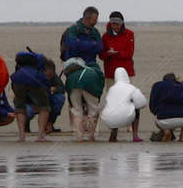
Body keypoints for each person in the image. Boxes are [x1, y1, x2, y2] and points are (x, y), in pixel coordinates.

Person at [100, 12, 140, 142]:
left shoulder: (130, 34)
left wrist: (117, 53)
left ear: (121, 23)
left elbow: (129, 53)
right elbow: (101, 55)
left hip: (127, 73)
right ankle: (114, 132)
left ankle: (134, 133)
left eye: (117, 24)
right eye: (113, 24)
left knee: (132, 100)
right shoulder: (105, 36)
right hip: (111, 73)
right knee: (113, 102)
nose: (115, 26)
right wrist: (108, 54)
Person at [11, 47, 53, 142]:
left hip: (18, 79)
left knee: (19, 107)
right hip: (35, 80)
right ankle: (40, 135)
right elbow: (45, 82)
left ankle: (22, 135)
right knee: (44, 107)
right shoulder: (39, 65)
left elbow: (13, 80)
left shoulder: (19, 68)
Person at [61, 56, 105, 141]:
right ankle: (91, 135)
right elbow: (99, 90)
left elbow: (68, 92)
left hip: (73, 83)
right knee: (93, 110)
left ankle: (79, 136)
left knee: (77, 110)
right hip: (90, 83)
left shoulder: (73, 73)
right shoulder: (96, 72)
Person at [99, 67, 147, 139]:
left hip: (108, 119)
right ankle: (135, 135)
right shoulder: (131, 87)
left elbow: (105, 103)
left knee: (114, 107)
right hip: (125, 117)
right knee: (136, 109)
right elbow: (142, 103)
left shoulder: (111, 89)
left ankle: (113, 133)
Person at [149, 72, 183, 141]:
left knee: (159, 117)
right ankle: (182, 137)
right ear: (175, 79)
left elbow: (152, 104)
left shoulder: (157, 85)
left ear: (163, 80)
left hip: (164, 120)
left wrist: (156, 112)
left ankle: (166, 131)